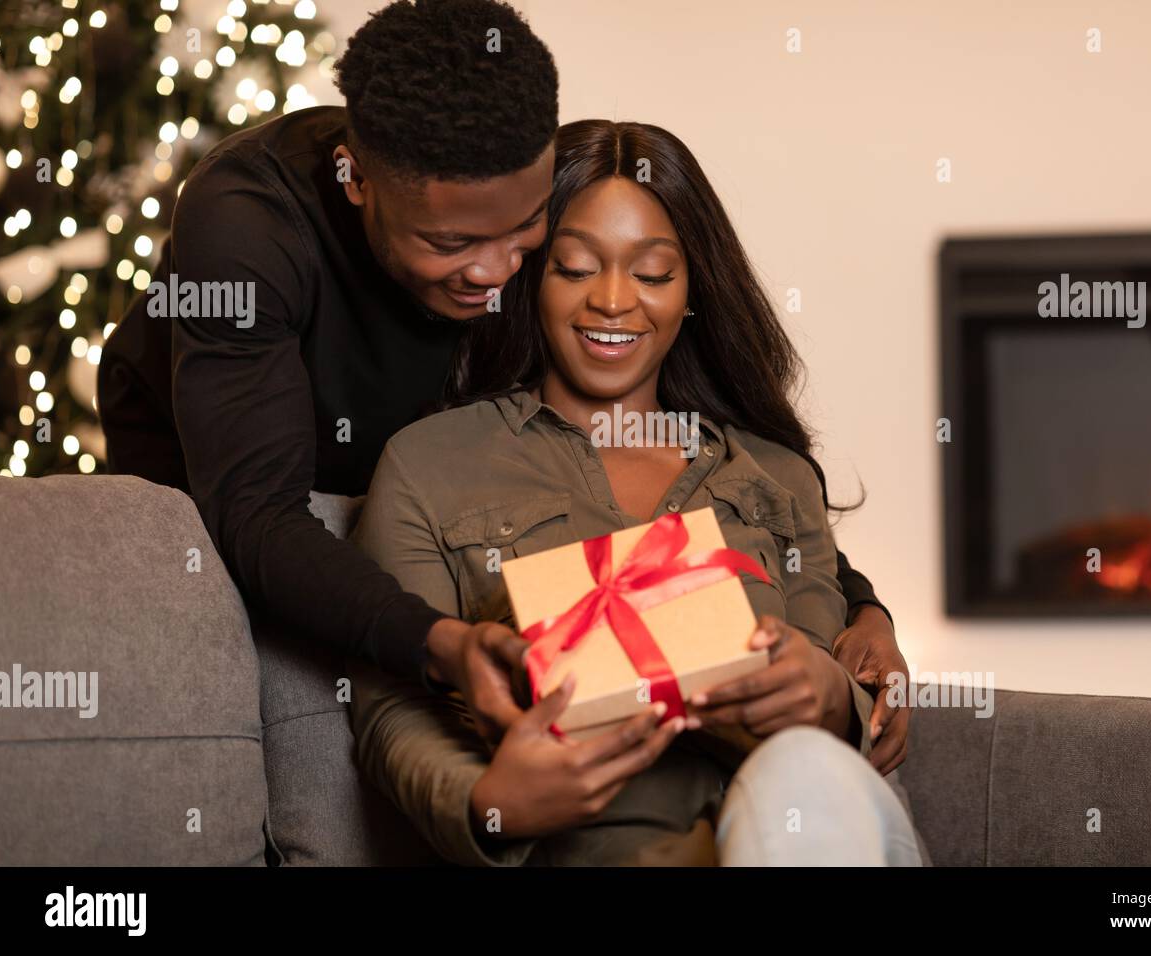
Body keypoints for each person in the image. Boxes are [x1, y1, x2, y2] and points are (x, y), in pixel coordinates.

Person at [97, 0, 909, 772]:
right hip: (233, 495)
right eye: (450, 243)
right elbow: (258, 517)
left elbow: (742, 478)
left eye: (526, 232)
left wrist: (857, 605)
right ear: (356, 183)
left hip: (410, 491)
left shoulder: (507, 173)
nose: (493, 276)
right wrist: (444, 644)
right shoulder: (246, 225)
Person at [347, 120, 923, 865]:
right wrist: (491, 805)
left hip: (788, 829)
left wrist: (833, 697)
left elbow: (822, 663)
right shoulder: (429, 466)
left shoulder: (775, 478)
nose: (614, 301)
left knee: (803, 774)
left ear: (692, 294)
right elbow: (395, 708)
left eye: (653, 274)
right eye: (576, 267)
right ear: (528, 275)